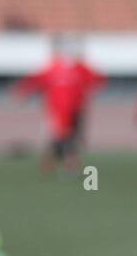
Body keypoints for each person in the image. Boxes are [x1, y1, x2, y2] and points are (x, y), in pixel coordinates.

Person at [13, 34, 104, 174]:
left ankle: (62, 165)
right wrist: (23, 92)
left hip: (76, 111)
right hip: (56, 112)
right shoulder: (53, 68)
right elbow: (35, 80)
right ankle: (62, 165)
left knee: (71, 139)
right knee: (60, 138)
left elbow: (98, 79)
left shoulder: (79, 67)